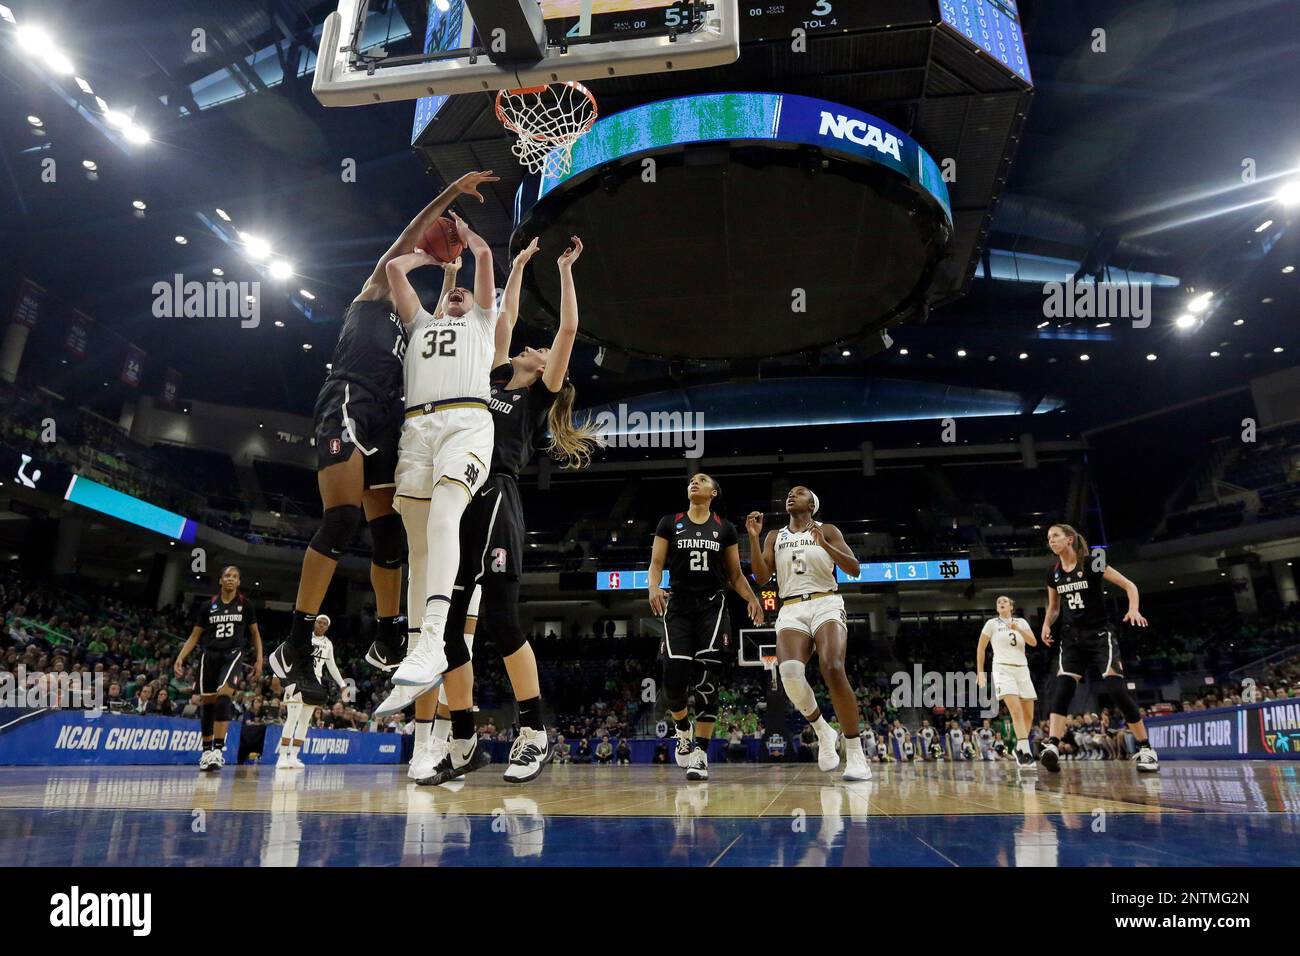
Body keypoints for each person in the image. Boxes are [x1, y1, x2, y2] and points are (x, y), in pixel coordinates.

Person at [267, 171, 500, 705]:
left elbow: (442, 321)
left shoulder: (414, 325)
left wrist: (451, 277)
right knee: (343, 518)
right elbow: (409, 237)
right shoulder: (374, 292)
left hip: (387, 418)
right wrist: (451, 197)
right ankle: (297, 641)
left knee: (390, 533)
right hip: (346, 399)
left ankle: (390, 634)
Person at [383, 237, 601, 786]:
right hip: (456, 489)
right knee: (450, 632)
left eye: (542, 350)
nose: (534, 347)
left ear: (552, 368)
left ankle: (534, 734)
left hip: (497, 496)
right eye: (532, 347)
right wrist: (519, 266)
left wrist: (564, 269)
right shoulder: (490, 378)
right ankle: (464, 740)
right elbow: (501, 317)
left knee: (502, 621)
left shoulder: (540, 392)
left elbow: (568, 331)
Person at [382, 211, 509, 787]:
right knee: (417, 545)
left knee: (448, 509)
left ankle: (434, 633)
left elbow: (484, 262)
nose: (458, 296)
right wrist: (431, 258)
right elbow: (392, 270)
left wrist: (470, 242)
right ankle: (421, 655)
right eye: (451, 293)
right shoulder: (417, 323)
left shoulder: (483, 322)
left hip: (465, 420)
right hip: (416, 428)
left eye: (464, 294)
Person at [648, 474, 765, 781]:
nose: (694, 482)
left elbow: (736, 575)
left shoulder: (724, 528)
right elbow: (657, 563)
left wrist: (752, 599)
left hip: (712, 605)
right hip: (679, 605)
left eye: (702, 480)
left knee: (707, 681)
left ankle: (700, 754)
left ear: (714, 492)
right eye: (692, 480)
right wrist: (653, 587)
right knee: (673, 680)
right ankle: (682, 728)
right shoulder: (669, 522)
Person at [748, 487, 869, 781]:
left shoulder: (827, 529)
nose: (792, 495)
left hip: (825, 601)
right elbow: (762, 577)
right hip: (790, 607)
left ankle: (855, 753)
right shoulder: (775, 536)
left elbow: (854, 569)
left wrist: (826, 546)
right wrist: (752, 537)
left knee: (832, 667)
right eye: (789, 493)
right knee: (788, 672)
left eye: (800, 493)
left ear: (813, 504)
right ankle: (823, 731)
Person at [1040, 523, 1158, 773]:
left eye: (1055, 536)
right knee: (1062, 689)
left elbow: (1129, 585)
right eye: (1048, 538)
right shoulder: (1054, 573)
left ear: (1069, 539)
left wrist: (1133, 609)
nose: (1050, 541)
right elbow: (1053, 607)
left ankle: (1146, 748)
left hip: (1099, 635)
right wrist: (1046, 625)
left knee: (1117, 690)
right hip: (1071, 639)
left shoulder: (1092, 561)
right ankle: (1052, 745)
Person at [175, 565, 263, 771]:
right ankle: (206, 752)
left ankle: (218, 750)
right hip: (210, 655)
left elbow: (255, 634)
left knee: (224, 696)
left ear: (239, 582)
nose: (231, 579)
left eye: (235, 576)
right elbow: (195, 635)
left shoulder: (245, 604)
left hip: (233, 654)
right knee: (208, 703)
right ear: (221, 580)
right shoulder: (208, 606)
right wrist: (181, 657)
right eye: (227, 576)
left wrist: (260, 659)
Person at [276, 614, 349, 769]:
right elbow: (285, 654)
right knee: (292, 718)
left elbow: (332, 666)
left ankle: (294, 756)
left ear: (327, 627)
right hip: (297, 679)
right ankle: (282, 756)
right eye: (319, 622)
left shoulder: (328, 644)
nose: (321, 625)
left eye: (324, 624)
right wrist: (276, 674)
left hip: (314, 682)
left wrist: (342, 684)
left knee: (304, 721)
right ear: (314, 623)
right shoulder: (301, 637)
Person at [976, 595, 1039, 773]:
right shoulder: (991, 624)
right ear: (997, 608)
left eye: (1004, 601)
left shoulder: (1021, 622)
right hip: (1002, 669)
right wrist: (980, 671)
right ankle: (1025, 752)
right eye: (998, 602)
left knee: (1029, 716)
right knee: (1016, 710)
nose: (1001, 603)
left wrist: (1018, 628)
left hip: (1022, 669)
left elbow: (1033, 642)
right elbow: (981, 648)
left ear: (1011, 606)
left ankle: (1019, 746)